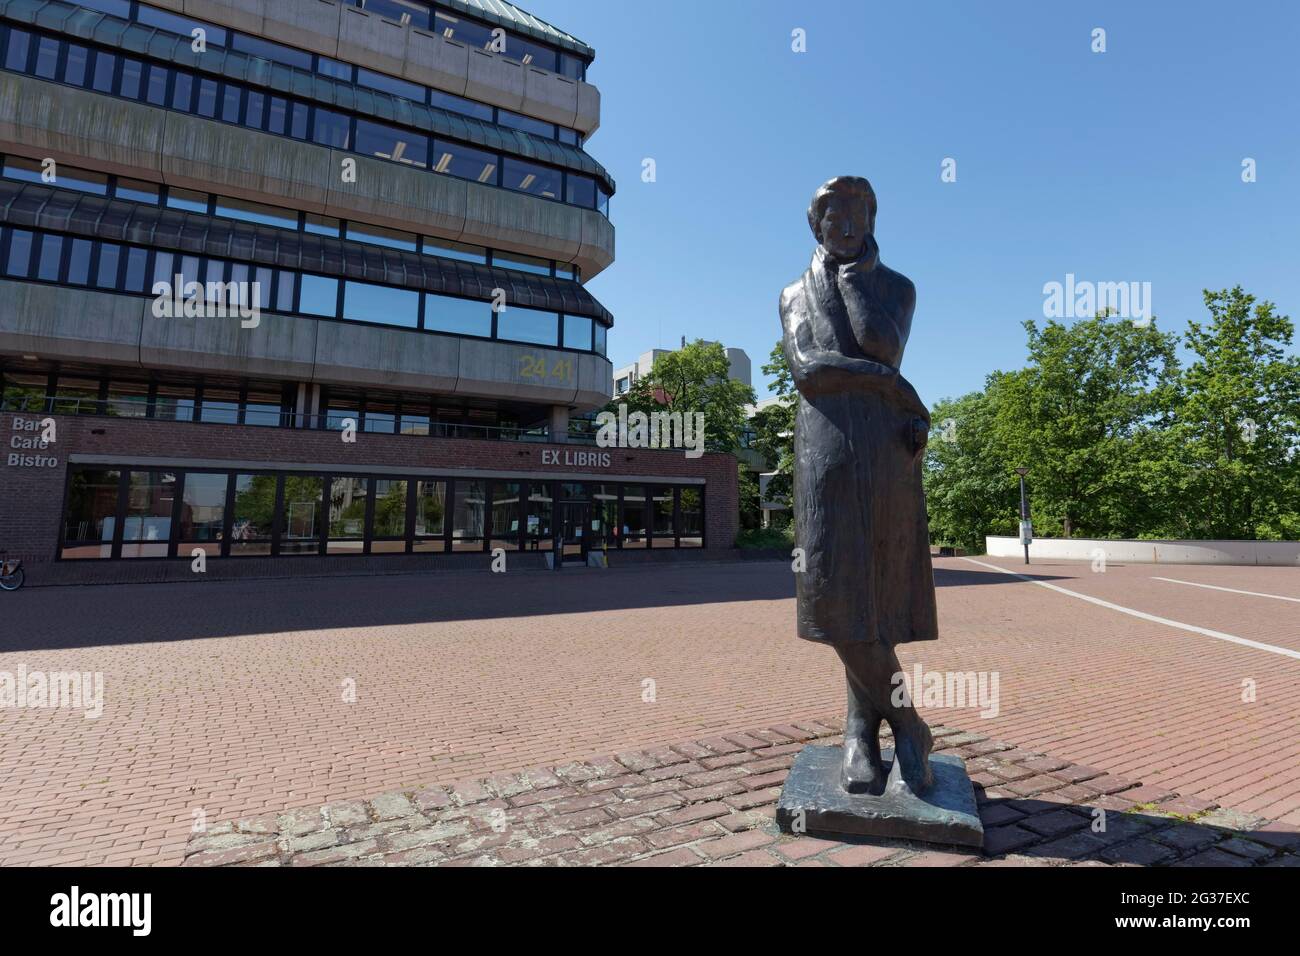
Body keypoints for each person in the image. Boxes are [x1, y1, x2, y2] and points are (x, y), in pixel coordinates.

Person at [778, 176, 938, 795]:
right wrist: (893, 387)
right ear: (814, 226)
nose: (845, 225)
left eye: (857, 213)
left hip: (889, 451)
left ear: (872, 219)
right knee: (835, 600)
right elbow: (809, 370)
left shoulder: (898, 288)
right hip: (826, 451)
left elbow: (884, 342)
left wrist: (885, 381)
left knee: (879, 600)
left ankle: (859, 735)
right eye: (832, 216)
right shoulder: (794, 293)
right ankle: (906, 723)